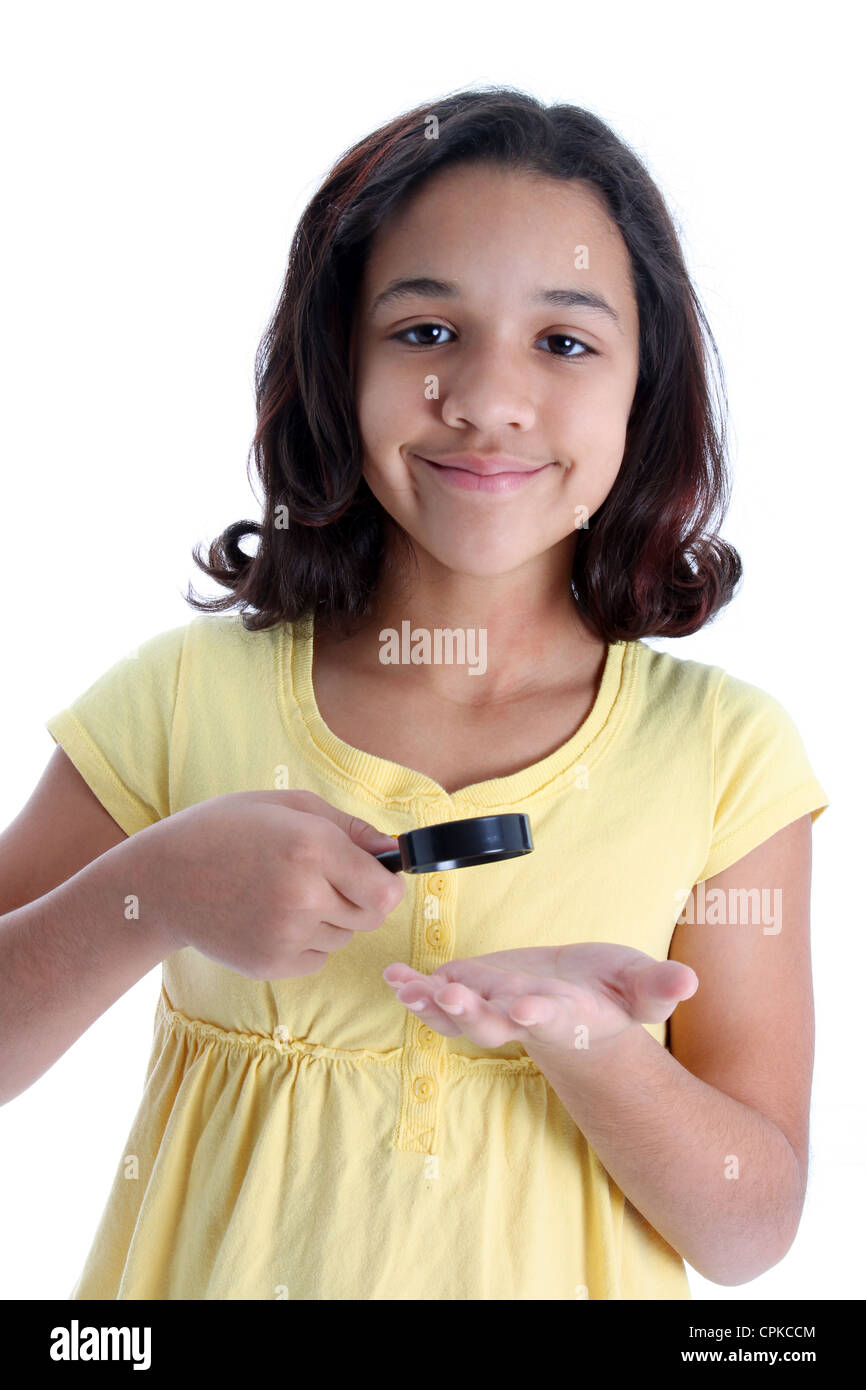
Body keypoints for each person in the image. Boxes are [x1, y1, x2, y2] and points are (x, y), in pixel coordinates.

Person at [0, 87, 828, 1299]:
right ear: (338, 359)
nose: (488, 399)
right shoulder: (178, 700)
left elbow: (748, 1229)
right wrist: (155, 887)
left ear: (644, 389)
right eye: (426, 331)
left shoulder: (724, 752)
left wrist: (590, 1041)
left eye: (563, 341)